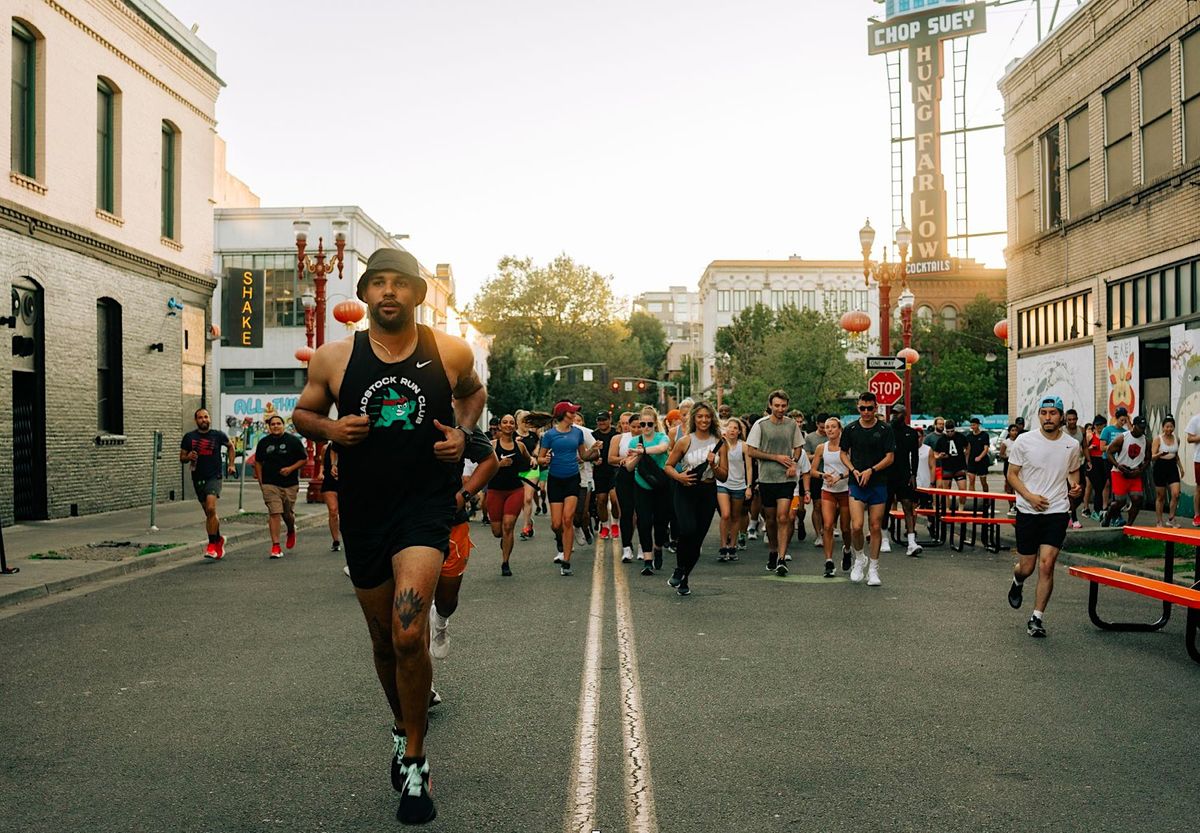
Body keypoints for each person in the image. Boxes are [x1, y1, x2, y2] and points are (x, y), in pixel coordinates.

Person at [291, 247, 486, 825]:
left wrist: (462, 433)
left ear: (415, 294)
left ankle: (419, 765)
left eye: (398, 283)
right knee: (382, 640)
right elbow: (303, 413)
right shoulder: (333, 358)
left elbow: (471, 395)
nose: (387, 293)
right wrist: (329, 428)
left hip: (424, 507)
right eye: (376, 284)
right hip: (364, 510)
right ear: (366, 293)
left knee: (407, 633)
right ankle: (401, 730)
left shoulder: (448, 351)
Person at [1006, 395, 1083, 638]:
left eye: (1052, 413)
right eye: (1043, 413)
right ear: (1038, 415)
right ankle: (1018, 581)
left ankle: (1036, 618)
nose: (1048, 417)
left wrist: (1075, 487)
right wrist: (1029, 497)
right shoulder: (1024, 441)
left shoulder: (1072, 445)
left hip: (1057, 511)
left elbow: (1073, 473)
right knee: (1026, 567)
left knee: (1047, 565)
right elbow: (1012, 475)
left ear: (1061, 416)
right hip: (1028, 511)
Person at [430, 427, 499, 661]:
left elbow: (490, 460)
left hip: (450, 521)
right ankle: (419, 686)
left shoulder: (457, 421)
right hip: (401, 523)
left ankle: (440, 621)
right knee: (409, 612)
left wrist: (462, 497)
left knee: (446, 601)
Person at [663, 402, 729, 595]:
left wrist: (714, 466)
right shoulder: (685, 441)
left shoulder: (719, 442)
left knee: (697, 540)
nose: (704, 420)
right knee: (687, 530)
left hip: (707, 492)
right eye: (700, 416)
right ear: (694, 418)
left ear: (712, 419)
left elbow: (724, 476)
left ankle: (684, 577)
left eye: (707, 417)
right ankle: (679, 569)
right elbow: (668, 466)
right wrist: (679, 477)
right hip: (685, 489)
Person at [745, 390, 805, 574]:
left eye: (783, 406)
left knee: (783, 517)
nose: (780, 409)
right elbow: (751, 451)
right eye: (777, 405)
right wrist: (775, 457)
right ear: (770, 405)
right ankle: (773, 550)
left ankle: (781, 558)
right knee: (770, 519)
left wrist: (793, 463)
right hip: (767, 477)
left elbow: (798, 447)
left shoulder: (791, 424)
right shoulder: (760, 425)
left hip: (786, 478)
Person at [840, 391, 895, 587]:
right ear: (858, 408)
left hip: (878, 482)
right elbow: (843, 454)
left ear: (875, 408)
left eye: (869, 408)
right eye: (862, 408)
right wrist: (854, 470)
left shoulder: (884, 429)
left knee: (874, 525)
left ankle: (873, 568)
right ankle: (859, 558)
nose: (866, 412)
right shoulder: (851, 429)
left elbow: (890, 457)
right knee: (856, 526)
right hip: (856, 482)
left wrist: (872, 470)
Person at [539, 401, 594, 576]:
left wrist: (595, 451)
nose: (574, 415)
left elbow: (584, 455)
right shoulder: (549, 435)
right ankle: (561, 543)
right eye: (572, 413)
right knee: (556, 524)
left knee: (568, 519)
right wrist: (544, 460)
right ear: (564, 415)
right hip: (555, 480)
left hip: (572, 479)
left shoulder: (577, 433)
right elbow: (540, 457)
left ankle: (567, 561)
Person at [180, 408, 235, 560]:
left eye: (206, 417)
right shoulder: (189, 437)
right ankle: (218, 539)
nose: (203, 420)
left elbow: (231, 446)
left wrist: (231, 464)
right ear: (196, 420)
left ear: (209, 419)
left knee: (211, 508)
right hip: (198, 477)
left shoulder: (218, 435)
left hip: (214, 476)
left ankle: (211, 545)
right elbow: (182, 457)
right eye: (200, 418)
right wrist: (188, 456)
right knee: (209, 513)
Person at [252, 414, 308, 558]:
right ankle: (275, 546)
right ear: (269, 427)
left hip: (289, 484)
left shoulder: (293, 441)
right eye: (273, 424)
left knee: (287, 513)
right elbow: (258, 462)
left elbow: (303, 459)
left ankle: (290, 529)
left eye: (278, 423)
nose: (275, 426)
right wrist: (261, 480)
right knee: (274, 512)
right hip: (270, 483)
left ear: (283, 425)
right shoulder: (264, 443)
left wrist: (290, 468)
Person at [628, 406, 671, 574]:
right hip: (641, 485)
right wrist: (638, 455)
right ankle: (647, 559)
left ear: (655, 424)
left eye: (649, 424)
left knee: (660, 522)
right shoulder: (635, 442)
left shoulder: (662, 437)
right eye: (642, 424)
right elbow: (630, 468)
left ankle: (658, 547)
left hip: (661, 485)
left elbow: (661, 449)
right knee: (643, 522)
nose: (645, 427)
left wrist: (643, 451)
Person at [486, 415, 529, 575]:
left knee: (508, 526)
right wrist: (499, 464)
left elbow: (529, 461)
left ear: (515, 425)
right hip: (495, 491)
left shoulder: (520, 446)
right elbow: (485, 468)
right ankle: (505, 539)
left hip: (515, 490)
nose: (508, 425)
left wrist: (535, 461)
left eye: (512, 422)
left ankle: (505, 563)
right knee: (498, 532)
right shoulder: (491, 446)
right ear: (500, 426)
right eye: (505, 422)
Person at [815, 416, 852, 577]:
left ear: (839, 429)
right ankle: (829, 561)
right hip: (828, 490)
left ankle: (847, 549)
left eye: (833, 427)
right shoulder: (821, 448)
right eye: (827, 427)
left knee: (845, 528)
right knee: (828, 525)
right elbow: (812, 470)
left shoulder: (848, 448)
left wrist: (841, 476)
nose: (829, 430)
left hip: (845, 490)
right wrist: (823, 475)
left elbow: (854, 468)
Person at [887, 404, 923, 557]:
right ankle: (883, 538)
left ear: (904, 415)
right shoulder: (887, 430)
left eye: (897, 413)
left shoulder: (911, 433)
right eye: (893, 413)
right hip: (887, 473)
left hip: (904, 474)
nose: (894, 415)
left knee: (908, 506)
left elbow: (914, 456)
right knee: (884, 506)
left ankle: (911, 541)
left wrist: (913, 474)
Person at [1103, 415, 1149, 528]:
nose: (1142, 430)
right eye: (1139, 427)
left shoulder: (1146, 441)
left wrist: (1141, 470)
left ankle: (1129, 525)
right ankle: (1108, 517)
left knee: (1137, 499)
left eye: (1143, 427)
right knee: (1120, 502)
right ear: (1133, 426)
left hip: (1135, 472)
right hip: (1120, 472)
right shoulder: (1123, 437)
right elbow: (1108, 452)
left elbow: (1148, 458)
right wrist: (1118, 465)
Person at [716, 418, 751, 562]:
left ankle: (732, 546)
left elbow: (749, 467)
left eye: (735, 428)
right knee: (725, 515)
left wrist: (749, 486)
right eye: (729, 427)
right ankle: (723, 545)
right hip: (723, 483)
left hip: (739, 484)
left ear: (739, 431)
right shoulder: (720, 444)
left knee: (736, 517)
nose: (732, 430)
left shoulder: (744, 446)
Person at [608, 412, 638, 562]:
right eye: (627, 424)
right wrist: (625, 459)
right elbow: (611, 458)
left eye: (638, 426)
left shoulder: (650, 438)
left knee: (642, 513)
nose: (632, 428)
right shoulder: (619, 438)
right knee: (626, 512)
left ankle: (644, 547)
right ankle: (626, 547)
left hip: (643, 476)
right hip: (625, 476)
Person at [570, 412, 600, 547]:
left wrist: (584, 457)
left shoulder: (586, 433)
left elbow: (596, 453)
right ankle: (569, 536)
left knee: (582, 512)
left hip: (585, 476)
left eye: (578, 420)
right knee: (570, 513)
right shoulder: (561, 432)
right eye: (573, 420)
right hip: (567, 476)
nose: (575, 422)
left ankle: (584, 528)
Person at [592, 411, 621, 542]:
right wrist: (593, 459)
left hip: (614, 470)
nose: (601, 422)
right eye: (599, 420)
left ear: (610, 420)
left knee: (615, 499)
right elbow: (587, 452)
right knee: (601, 500)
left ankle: (615, 523)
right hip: (599, 471)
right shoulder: (593, 435)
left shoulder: (616, 434)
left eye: (604, 420)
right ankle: (604, 525)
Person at [1152, 415, 1183, 527]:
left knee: (1176, 494)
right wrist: (1160, 454)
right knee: (1161, 496)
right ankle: (1159, 521)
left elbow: (1176, 454)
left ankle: (1171, 518)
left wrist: (1181, 467)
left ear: (1174, 427)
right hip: (1160, 466)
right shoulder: (1158, 439)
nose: (1169, 429)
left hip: (1172, 467)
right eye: (1167, 427)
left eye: (1171, 427)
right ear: (1163, 427)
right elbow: (1152, 456)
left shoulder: (1176, 439)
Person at [803, 414, 829, 545]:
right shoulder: (810, 438)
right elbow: (806, 457)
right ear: (817, 424)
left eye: (827, 427)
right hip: (816, 475)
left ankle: (828, 529)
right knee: (817, 505)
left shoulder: (834, 436)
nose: (826, 430)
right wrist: (819, 455)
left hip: (831, 475)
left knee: (831, 507)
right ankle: (818, 534)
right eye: (823, 427)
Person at [514, 410, 540, 541]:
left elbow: (538, 446)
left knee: (528, 498)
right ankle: (529, 521)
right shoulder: (512, 435)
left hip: (531, 469)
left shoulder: (533, 436)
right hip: (516, 471)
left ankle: (525, 527)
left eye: (527, 419)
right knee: (521, 500)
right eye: (522, 419)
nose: (525, 422)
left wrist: (535, 456)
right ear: (517, 420)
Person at [1086, 415, 1109, 520]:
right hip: (1093, 461)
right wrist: (1090, 448)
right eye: (1097, 425)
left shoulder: (1107, 435)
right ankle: (1096, 509)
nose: (1099, 427)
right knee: (1097, 486)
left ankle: (1103, 508)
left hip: (1103, 460)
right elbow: (1084, 449)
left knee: (1105, 485)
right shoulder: (1090, 436)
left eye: (1101, 425)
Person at [935, 419, 968, 489]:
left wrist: (966, 455)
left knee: (963, 489)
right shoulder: (941, 439)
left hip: (959, 467)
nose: (950, 433)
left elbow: (968, 446)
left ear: (954, 429)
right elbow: (935, 453)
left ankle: (962, 500)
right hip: (947, 468)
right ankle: (948, 500)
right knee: (946, 491)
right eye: (948, 431)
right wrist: (939, 456)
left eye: (952, 431)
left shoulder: (960, 437)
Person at [320, 445, 342, 553]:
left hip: (347, 482)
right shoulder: (326, 448)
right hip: (330, 481)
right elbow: (323, 464)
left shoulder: (350, 444)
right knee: (333, 510)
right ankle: (336, 540)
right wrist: (321, 473)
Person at [998, 424, 1020, 516]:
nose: (1014, 432)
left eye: (1016, 430)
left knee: (1018, 486)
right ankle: (1011, 505)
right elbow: (1001, 454)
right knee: (1009, 486)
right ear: (1009, 432)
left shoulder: (1020, 441)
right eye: (1012, 430)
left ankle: (1017, 505)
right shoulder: (1005, 442)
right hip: (1008, 465)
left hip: (1018, 465)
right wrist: (1008, 457)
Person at [965, 417, 992, 493]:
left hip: (982, 461)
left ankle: (986, 498)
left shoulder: (984, 435)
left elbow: (986, 448)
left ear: (978, 425)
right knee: (971, 481)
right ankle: (972, 499)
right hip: (972, 461)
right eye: (971, 425)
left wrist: (980, 457)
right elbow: (967, 450)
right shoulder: (969, 436)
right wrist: (966, 461)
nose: (972, 427)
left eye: (974, 425)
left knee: (983, 482)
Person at [1186, 409, 1200, 526]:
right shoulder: (1195, 419)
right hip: (1199, 459)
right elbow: (1189, 439)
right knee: (1199, 488)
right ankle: (1197, 515)